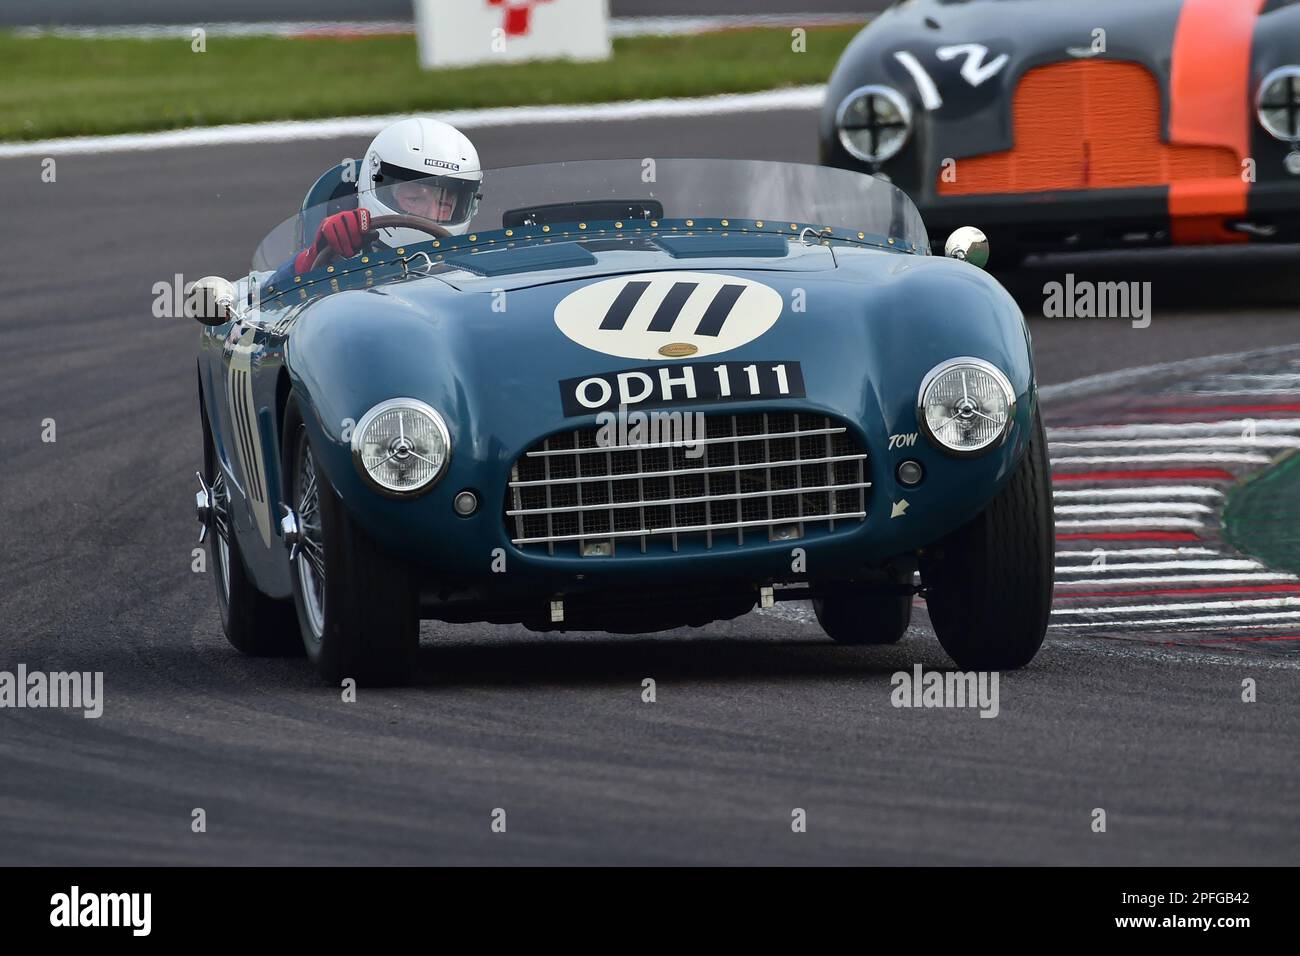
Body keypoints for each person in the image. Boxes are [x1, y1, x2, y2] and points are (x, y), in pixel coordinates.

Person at [285, 117, 483, 276]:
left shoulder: (472, 272)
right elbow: (263, 296)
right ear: (373, 181)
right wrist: (311, 258)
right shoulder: (341, 264)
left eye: (443, 203)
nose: (431, 213)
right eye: (414, 199)